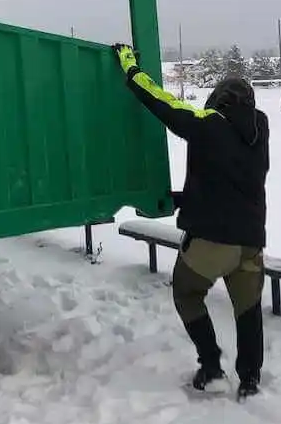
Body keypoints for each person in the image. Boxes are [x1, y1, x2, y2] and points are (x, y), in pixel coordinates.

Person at [112, 44, 270, 396]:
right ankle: (250, 380)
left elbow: (162, 102)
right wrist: (186, 197)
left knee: (187, 293)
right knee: (248, 310)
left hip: (212, 240)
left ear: (218, 99)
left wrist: (129, 66)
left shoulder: (209, 124)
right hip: (251, 243)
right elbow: (233, 179)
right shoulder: (260, 130)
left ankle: (211, 366)